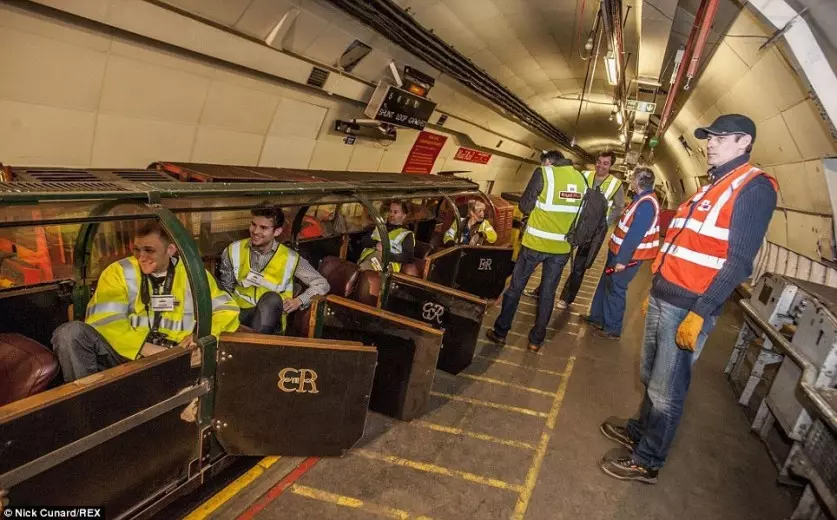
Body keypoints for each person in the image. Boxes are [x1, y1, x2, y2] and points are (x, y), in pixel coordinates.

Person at [599, 114, 778, 484]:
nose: (710, 144)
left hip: (689, 306)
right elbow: (682, 244)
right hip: (666, 296)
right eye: (709, 138)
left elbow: (738, 263)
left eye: (721, 138)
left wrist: (701, 311)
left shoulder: (753, 188)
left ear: (744, 142)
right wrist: (655, 289)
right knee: (651, 375)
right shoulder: (712, 186)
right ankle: (639, 430)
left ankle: (648, 460)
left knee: (667, 388)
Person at [52, 221, 240, 382]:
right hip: (126, 353)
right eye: (137, 250)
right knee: (69, 333)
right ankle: (87, 406)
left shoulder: (193, 273)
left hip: (178, 355)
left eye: (149, 250)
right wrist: (145, 348)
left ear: (170, 250)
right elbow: (104, 321)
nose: (141, 257)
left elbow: (227, 309)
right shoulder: (118, 272)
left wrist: (201, 338)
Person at [485, 150, 581, 352]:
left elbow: (525, 206)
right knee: (547, 293)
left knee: (515, 289)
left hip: (535, 244)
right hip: (562, 247)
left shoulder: (544, 173)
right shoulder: (581, 178)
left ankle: (501, 332)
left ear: (548, 162)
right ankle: (536, 341)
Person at [525, 151, 625, 308]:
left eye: (605, 163)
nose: (601, 166)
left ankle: (566, 298)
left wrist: (604, 222)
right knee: (556, 259)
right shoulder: (584, 175)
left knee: (579, 266)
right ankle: (541, 290)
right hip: (573, 224)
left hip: (592, 232)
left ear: (611, 166)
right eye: (599, 161)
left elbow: (619, 207)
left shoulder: (615, 184)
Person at [218, 204, 329, 335]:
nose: (255, 231)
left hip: (270, 320)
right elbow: (226, 289)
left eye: (263, 228)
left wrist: (299, 300)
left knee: (272, 299)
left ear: (277, 231)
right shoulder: (233, 250)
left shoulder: (291, 258)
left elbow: (322, 284)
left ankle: (256, 347)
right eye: (253, 224)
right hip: (239, 313)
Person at [583, 167, 659, 340]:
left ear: (638, 182)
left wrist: (622, 260)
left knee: (616, 288)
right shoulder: (640, 199)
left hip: (627, 257)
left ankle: (612, 328)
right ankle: (596, 317)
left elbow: (635, 235)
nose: (631, 180)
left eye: (633, 178)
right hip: (616, 252)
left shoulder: (646, 204)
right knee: (605, 284)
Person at [358, 199, 415, 272]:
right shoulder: (380, 227)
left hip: (386, 265)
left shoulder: (406, 234)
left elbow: (408, 258)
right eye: (390, 211)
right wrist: (376, 244)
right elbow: (363, 241)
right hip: (368, 258)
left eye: (395, 212)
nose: (391, 214)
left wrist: (386, 254)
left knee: (361, 270)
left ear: (403, 215)